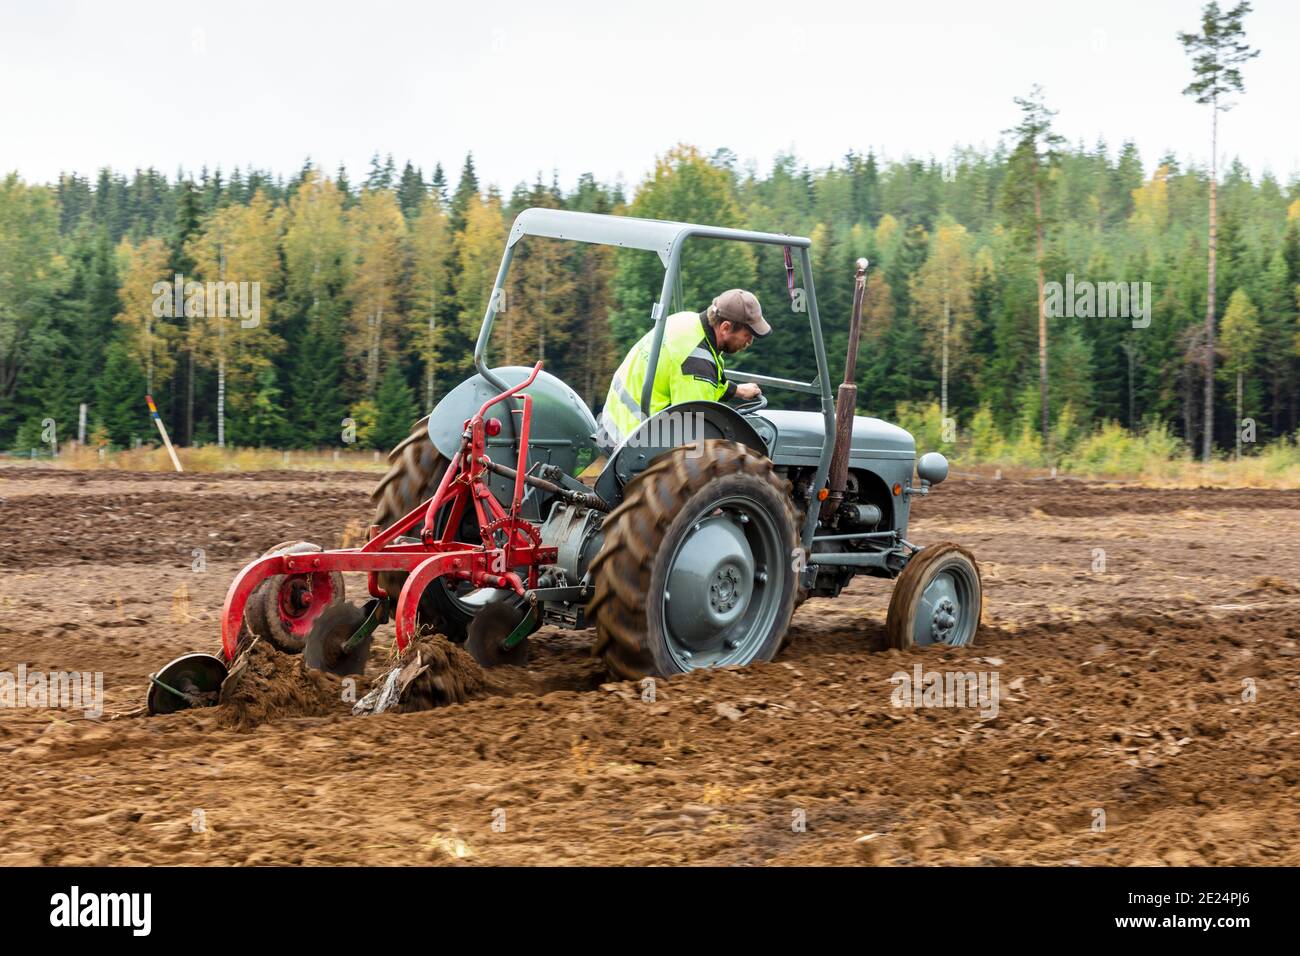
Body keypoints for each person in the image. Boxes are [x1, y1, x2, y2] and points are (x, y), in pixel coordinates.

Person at [600, 288, 769, 445]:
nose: (749, 342)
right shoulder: (697, 365)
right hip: (634, 444)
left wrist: (735, 390)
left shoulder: (686, 320)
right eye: (747, 335)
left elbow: (686, 379)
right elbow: (693, 438)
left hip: (612, 422)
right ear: (725, 327)